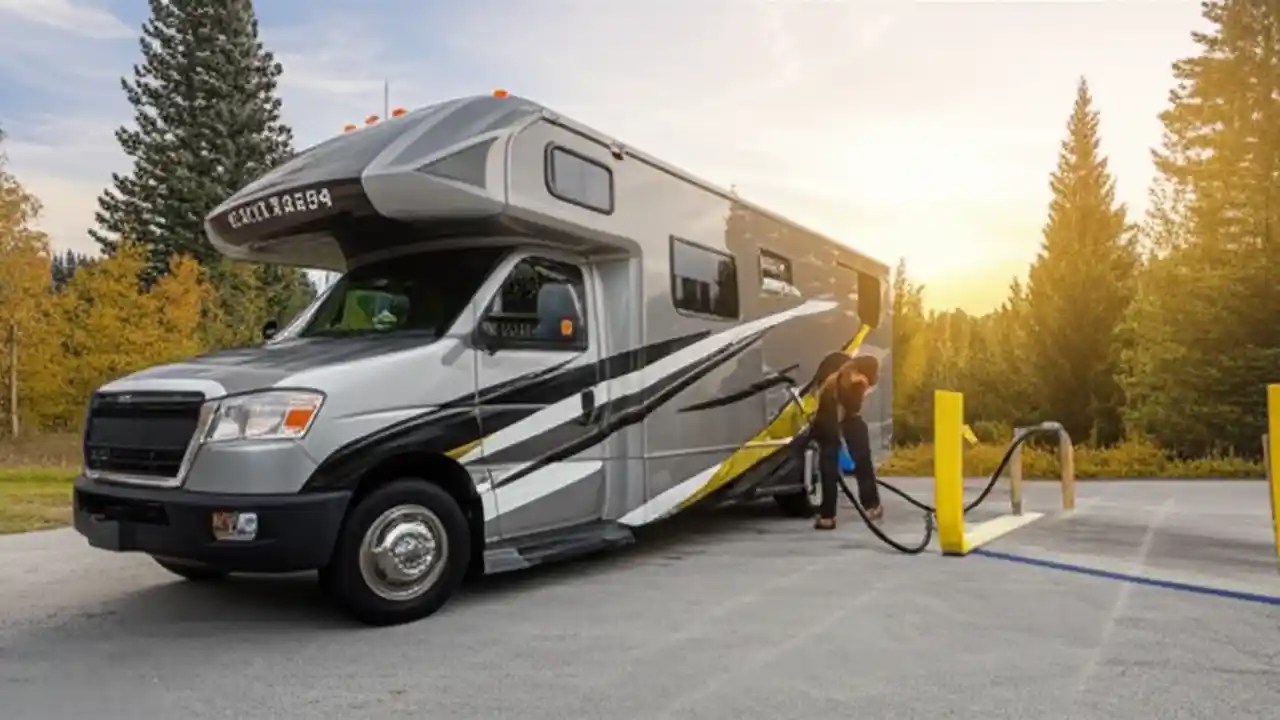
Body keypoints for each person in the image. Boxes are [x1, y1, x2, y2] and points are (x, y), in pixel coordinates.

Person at [811, 353, 883, 530]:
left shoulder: (840, 374)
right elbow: (853, 407)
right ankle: (871, 506)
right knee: (861, 458)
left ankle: (827, 516)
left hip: (826, 416)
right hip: (834, 415)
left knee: (828, 466)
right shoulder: (858, 380)